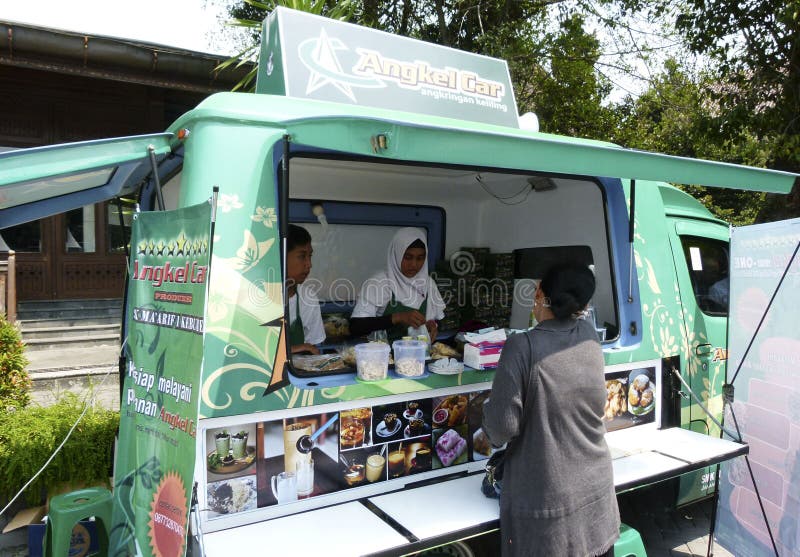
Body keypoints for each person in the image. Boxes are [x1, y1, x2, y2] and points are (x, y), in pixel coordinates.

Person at [482, 263, 620, 557]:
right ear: (584, 304)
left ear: (538, 293)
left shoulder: (521, 346)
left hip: (549, 507)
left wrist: (485, 412)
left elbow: (501, 428)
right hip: (597, 494)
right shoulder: (588, 335)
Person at [350, 227, 445, 342]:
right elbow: (356, 326)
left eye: (420, 258)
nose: (414, 264)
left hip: (418, 354)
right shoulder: (379, 283)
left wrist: (432, 324)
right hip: (383, 356)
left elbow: (437, 318)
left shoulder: (428, 284)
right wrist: (398, 317)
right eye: (408, 257)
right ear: (396, 255)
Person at [286, 224, 325, 354]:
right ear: (282, 255)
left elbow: (312, 348)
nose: (309, 264)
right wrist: (294, 349)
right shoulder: (260, 296)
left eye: (310, 256)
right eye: (302, 256)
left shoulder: (309, 297)